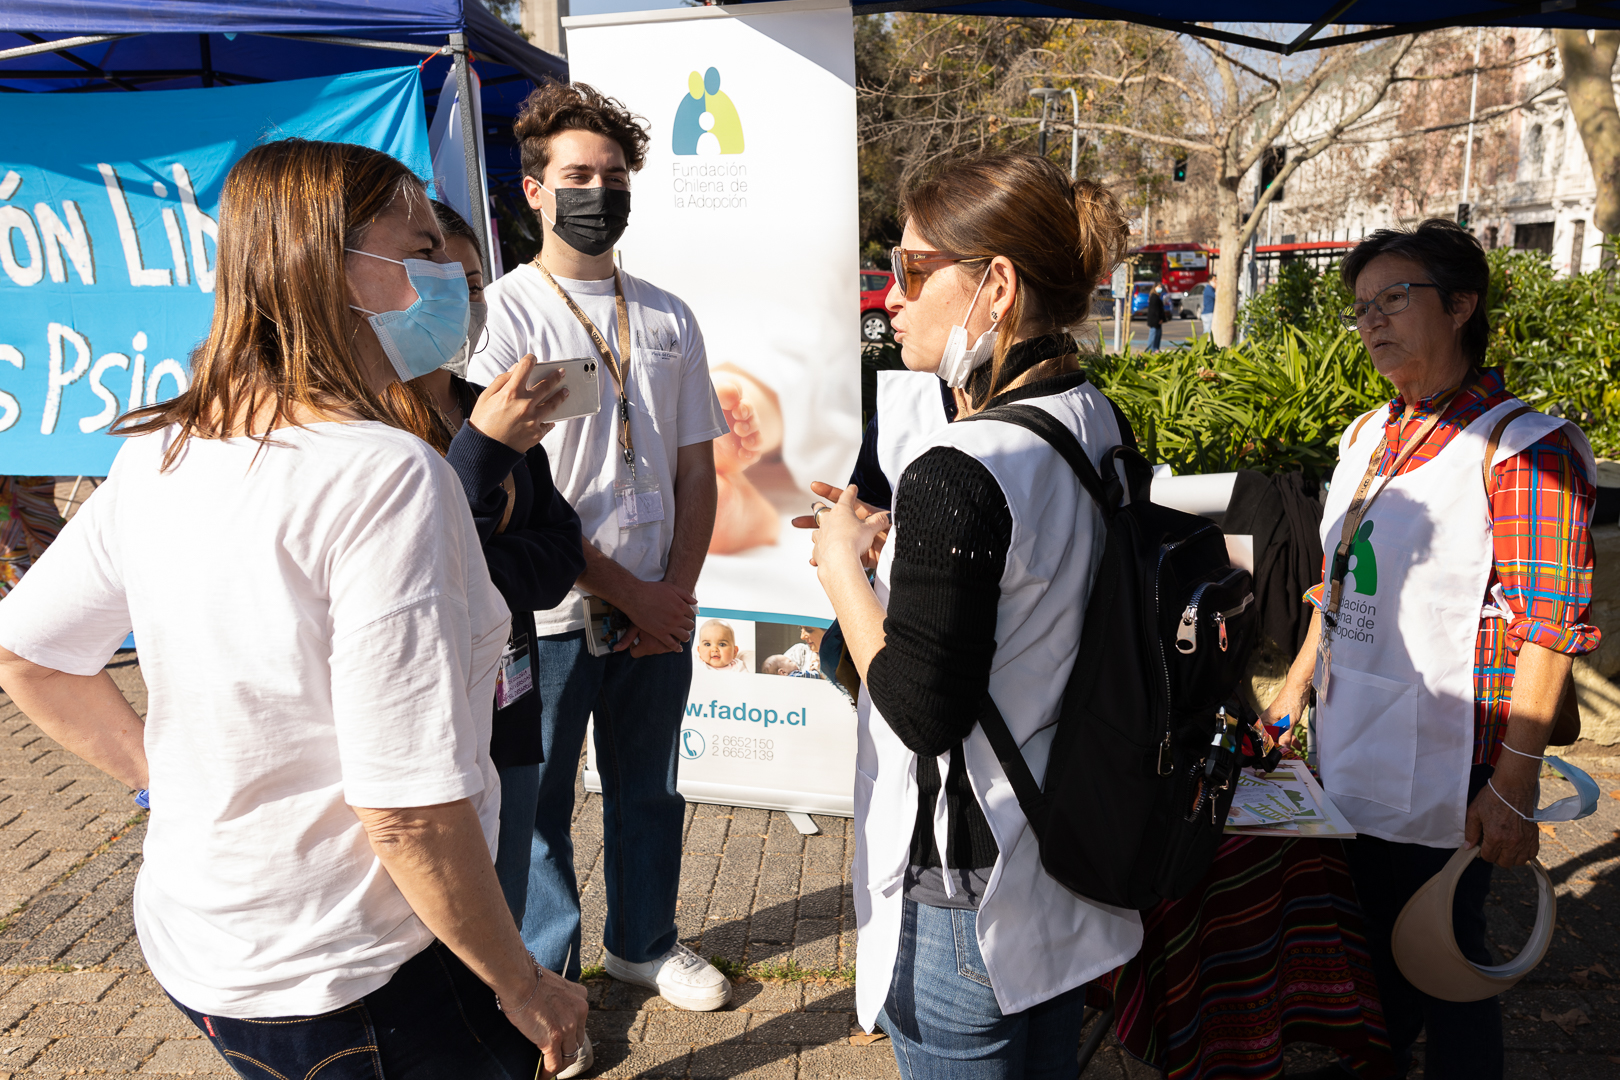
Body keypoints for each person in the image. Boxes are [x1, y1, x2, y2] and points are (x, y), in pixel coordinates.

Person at [0, 140, 588, 1078]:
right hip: (366, 970)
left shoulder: (164, 448)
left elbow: (31, 656)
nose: (452, 277)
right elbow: (407, 808)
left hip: (208, 949)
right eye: (424, 246)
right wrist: (524, 982)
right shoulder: (386, 473)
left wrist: (172, 782)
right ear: (331, 265)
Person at [805, 153, 1143, 1078]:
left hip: (967, 892)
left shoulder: (959, 465)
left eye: (912, 271)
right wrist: (908, 567)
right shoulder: (1093, 419)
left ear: (995, 284)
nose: (890, 297)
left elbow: (921, 710)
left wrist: (841, 568)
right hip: (1061, 854)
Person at [1261, 219, 1599, 1080]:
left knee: (1447, 951)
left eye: (1395, 299)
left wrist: (1514, 783)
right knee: (1375, 938)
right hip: (1353, 741)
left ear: (1460, 304)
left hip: (1456, 764)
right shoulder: (1370, 432)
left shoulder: (1522, 447)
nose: (1373, 321)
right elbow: (1338, 581)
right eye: (1362, 306)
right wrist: (1296, 685)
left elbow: (1549, 623)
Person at [470, 83, 733, 1011]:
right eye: (576, 174)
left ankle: (644, 944)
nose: (598, 190)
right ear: (535, 190)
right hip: (545, 612)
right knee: (535, 807)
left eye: (614, 176)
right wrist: (625, 588)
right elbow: (514, 489)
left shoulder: (668, 316)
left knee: (649, 787)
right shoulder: (501, 316)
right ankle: (543, 974)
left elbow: (697, 472)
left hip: (658, 604)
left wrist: (674, 593)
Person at [409, 203, 587, 965]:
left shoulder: (492, 407)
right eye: (443, 283)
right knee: (442, 935)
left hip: (509, 704)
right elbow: (420, 572)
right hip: (423, 723)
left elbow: (560, 553)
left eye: (475, 283)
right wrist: (487, 554)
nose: (466, 302)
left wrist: (491, 569)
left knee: (508, 896)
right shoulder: (367, 431)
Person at [1144, 281, 1166, 351]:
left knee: (1158, 335)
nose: (1160, 289)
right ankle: (1151, 349)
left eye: (1160, 287)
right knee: (1153, 335)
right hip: (1155, 320)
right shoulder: (1154, 297)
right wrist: (1158, 319)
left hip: (1157, 320)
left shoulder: (1157, 297)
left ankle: (1155, 348)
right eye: (1158, 287)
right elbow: (1155, 310)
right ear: (1155, 288)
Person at [1200, 273, 1217, 339]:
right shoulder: (1208, 289)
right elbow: (1216, 296)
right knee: (1207, 332)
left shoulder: (1211, 289)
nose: (1216, 281)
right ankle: (1205, 345)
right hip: (1208, 314)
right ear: (1210, 281)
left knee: (1209, 331)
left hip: (1209, 313)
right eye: (1214, 280)